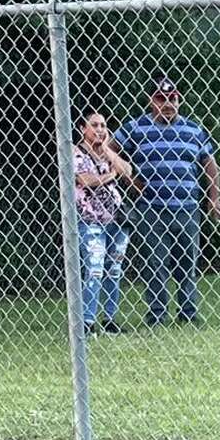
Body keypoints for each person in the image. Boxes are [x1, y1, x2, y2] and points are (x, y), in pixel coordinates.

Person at [112, 76, 220, 328]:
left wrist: (213, 197)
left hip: (187, 207)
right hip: (151, 208)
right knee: (154, 263)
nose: (168, 104)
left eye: (172, 99)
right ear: (152, 101)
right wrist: (131, 180)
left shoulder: (194, 130)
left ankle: (188, 314)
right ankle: (157, 316)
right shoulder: (135, 128)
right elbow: (110, 149)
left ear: (179, 100)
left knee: (188, 262)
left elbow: (210, 163)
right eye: (162, 99)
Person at [72, 110, 134, 336]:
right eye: (94, 125)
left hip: (116, 220)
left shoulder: (106, 154)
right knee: (94, 269)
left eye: (103, 126)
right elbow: (85, 180)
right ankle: (88, 322)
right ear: (83, 128)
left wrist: (108, 149)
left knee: (114, 269)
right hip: (90, 221)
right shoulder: (76, 152)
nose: (99, 130)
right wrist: (111, 176)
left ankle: (109, 319)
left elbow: (127, 170)